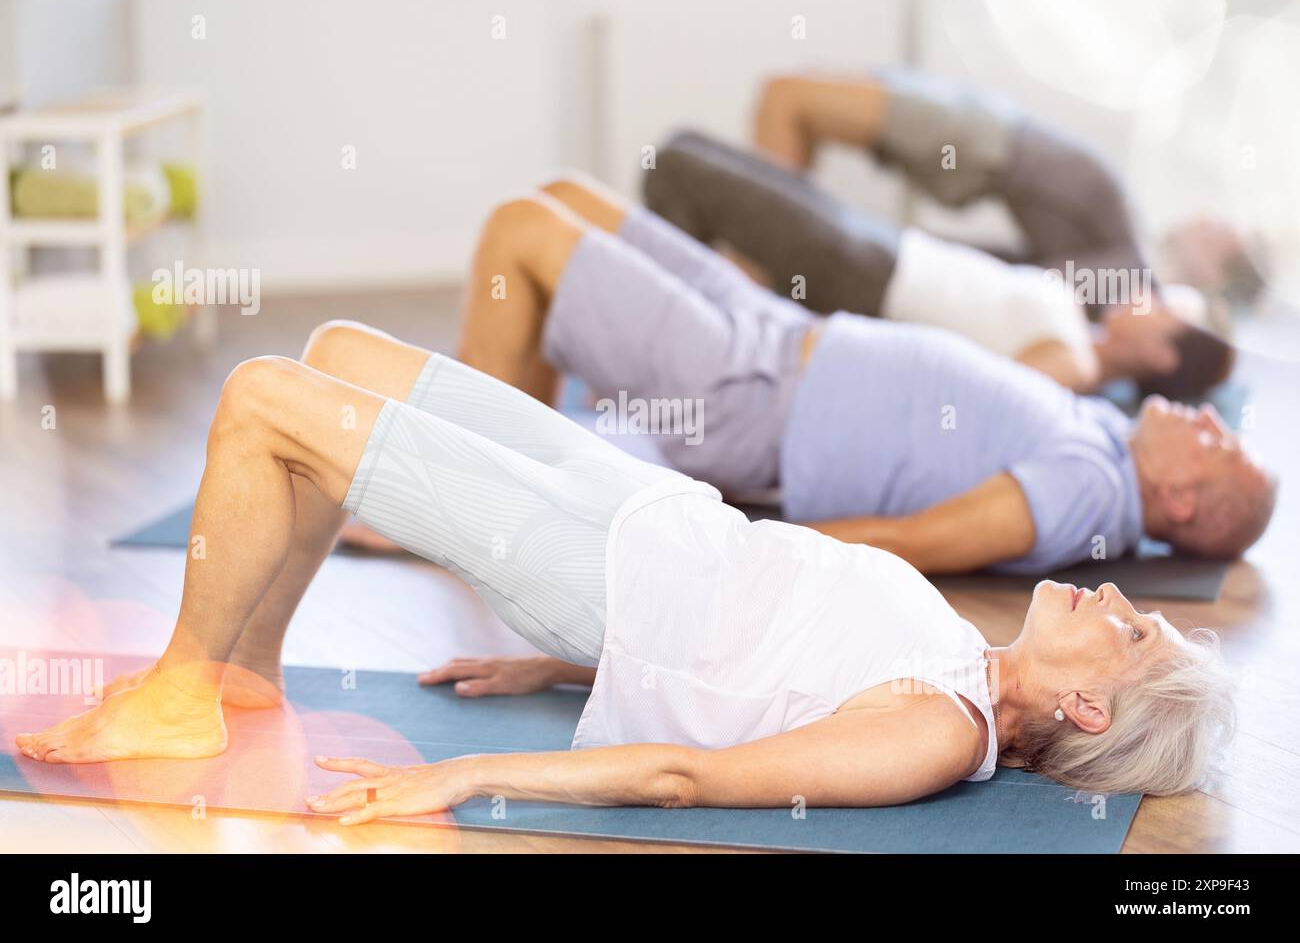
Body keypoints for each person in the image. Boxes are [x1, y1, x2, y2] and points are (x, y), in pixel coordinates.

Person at [14, 321, 1232, 819]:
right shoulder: (960, 654)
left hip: (593, 564)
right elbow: (774, 649)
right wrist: (558, 666)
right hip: (639, 506)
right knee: (335, 350)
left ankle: (182, 686)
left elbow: (686, 770)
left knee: (262, 395)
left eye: (1129, 632)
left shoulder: (934, 729)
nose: (1116, 597)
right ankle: (246, 668)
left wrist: (472, 772)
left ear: (1086, 706)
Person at [454, 176, 1276, 576]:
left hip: (747, 395)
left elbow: (913, 543)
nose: (1211, 421)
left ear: (1179, 502)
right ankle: (515, 470)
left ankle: (472, 504)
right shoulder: (1105, 437)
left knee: (521, 230)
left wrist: (725, 558)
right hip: (780, 336)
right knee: (564, 198)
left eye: (1220, 446)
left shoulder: (1087, 490)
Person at [643, 69, 1250, 399]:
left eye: (1159, 309)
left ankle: (662, 361)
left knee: (677, 166)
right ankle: (673, 345)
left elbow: (979, 399)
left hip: (865, 274)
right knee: (688, 156)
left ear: (1160, 354)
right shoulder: (1078, 320)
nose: (1143, 294)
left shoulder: (1073, 366)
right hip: (883, 244)